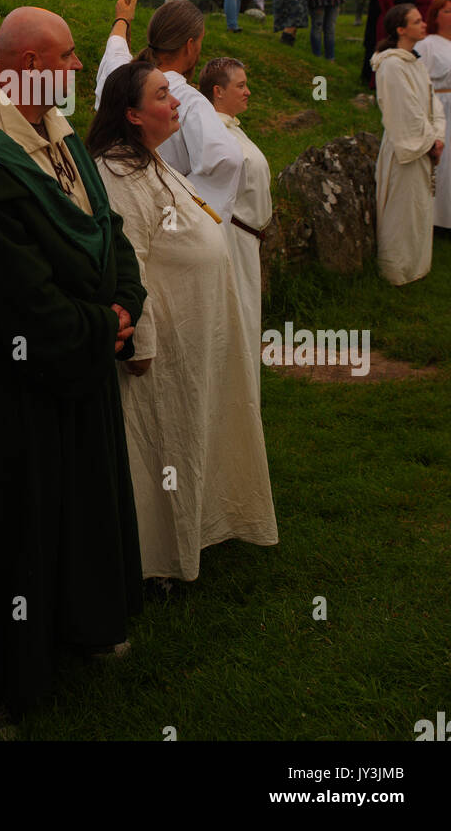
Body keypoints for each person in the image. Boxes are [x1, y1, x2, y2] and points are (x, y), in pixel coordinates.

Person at [0, 7, 146, 719]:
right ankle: (14, 675)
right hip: (17, 378)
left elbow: (111, 232)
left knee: (83, 501)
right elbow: (11, 293)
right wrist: (95, 326)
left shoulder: (59, 135)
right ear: (27, 64)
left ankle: (85, 624)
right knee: (26, 516)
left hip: (84, 357)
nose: (78, 69)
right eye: (67, 56)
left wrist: (124, 305)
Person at [87, 60, 278, 583]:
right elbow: (131, 260)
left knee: (193, 437)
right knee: (164, 444)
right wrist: (140, 343)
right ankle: (159, 558)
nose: (176, 104)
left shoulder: (148, 160)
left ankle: (199, 531)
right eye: (162, 96)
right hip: (163, 344)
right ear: (131, 114)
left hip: (196, 334)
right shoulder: (117, 171)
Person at [95, 0, 243, 222]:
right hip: (167, 217)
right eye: (201, 41)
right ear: (190, 45)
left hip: (114, 203)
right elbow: (227, 159)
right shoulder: (189, 100)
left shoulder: (122, 78)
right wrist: (180, 198)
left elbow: (115, 50)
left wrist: (122, 19)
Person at [199, 57, 272, 379]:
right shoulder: (213, 134)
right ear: (218, 91)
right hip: (232, 236)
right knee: (235, 317)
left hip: (248, 237)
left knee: (246, 316)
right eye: (240, 86)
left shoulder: (230, 129)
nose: (248, 92)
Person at [371, 5, 446, 285]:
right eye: (416, 21)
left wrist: (437, 137)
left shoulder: (412, 62)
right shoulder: (391, 65)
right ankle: (396, 271)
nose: (424, 24)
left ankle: (416, 265)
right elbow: (403, 110)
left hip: (423, 144)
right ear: (401, 29)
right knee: (402, 212)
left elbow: (432, 103)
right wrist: (428, 141)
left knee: (418, 208)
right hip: (407, 147)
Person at [416, 0, 451, 234]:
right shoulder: (427, 44)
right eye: (448, 11)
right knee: (446, 161)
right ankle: (441, 219)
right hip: (441, 105)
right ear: (436, 16)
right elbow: (419, 79)